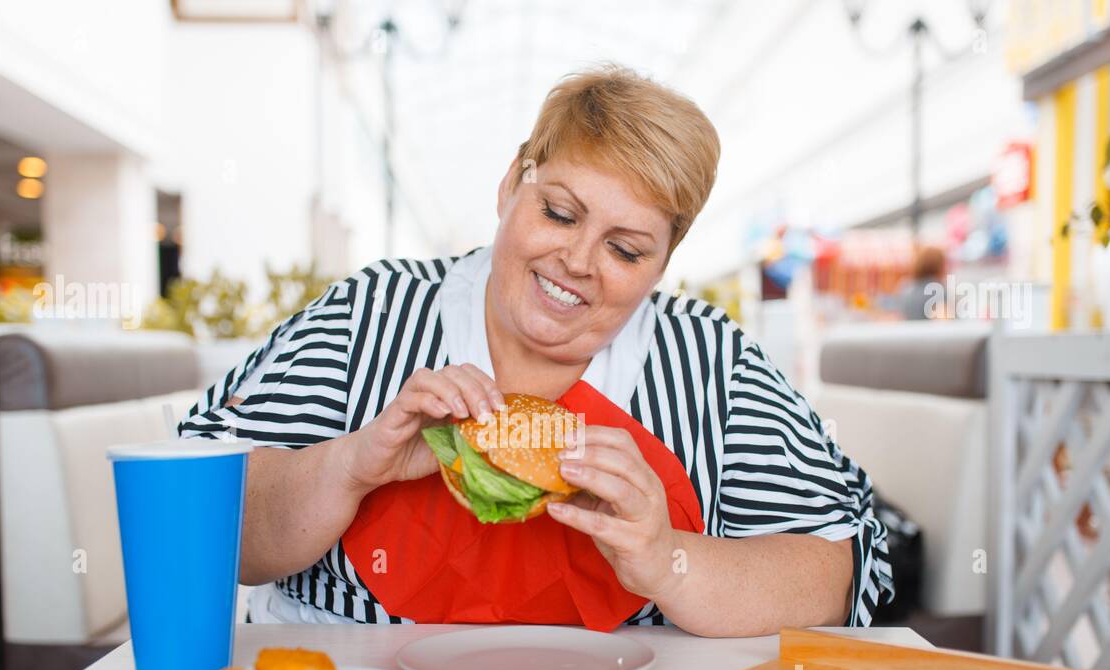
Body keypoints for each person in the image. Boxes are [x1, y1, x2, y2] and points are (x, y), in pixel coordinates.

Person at [179, 65, 893, 638]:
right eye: (559, 211)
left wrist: (671, 563)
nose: (578, 261)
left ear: (664, 262)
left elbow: (839, 565)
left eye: (626, 248)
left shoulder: (712, 362)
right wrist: (348, 465)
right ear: (510, 181)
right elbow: (192, 520)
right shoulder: (370, 312)